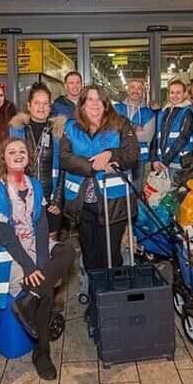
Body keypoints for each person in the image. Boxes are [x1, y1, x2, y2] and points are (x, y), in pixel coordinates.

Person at [0, 138, 75, 380]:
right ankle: (41, 352)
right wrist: (31, 266)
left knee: (68, 251)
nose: (19, 154)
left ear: (28, 157)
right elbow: (6, 236)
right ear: (4, 159)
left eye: (22, 151)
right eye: (12, 152)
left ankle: (28, 300)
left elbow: (42, 225)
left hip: (32, 242)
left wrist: (42, 261)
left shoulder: (35, 185)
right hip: (6, 250)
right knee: (44, 289)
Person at [60, 85, 139, 271]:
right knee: (89, 253)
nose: (94, 103)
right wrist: (90, 166)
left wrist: (111, 154)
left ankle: (111, 293)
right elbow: (64, 157)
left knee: (110, 255)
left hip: (113, 203)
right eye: (89, 99)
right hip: (82, 203)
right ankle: (94, 293)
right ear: (82, 104)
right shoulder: (71, 126)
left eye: (98, 99)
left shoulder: (120, 123)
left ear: (105, 103)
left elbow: (132, 154)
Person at [9, 83, 66, 237]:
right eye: (37, 103)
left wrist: (58, 198)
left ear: (50, 106)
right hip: (24, 199)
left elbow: (63, 167)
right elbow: (9, 167)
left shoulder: (58, 131)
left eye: (45, 103)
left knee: (50, 247)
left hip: (50, 201)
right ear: (29, 105)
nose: (41, 107)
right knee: (28, 246)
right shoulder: (17, 130)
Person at [151, 79, 193, 185]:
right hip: (162, 163)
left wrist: (165, 161)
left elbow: (183, 139)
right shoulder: (163, 112)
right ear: (168, 94)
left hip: (179, 164)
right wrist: (154, 159)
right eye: (172, 92)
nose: (175, 95)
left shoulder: (187, 112)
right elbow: (156, 137)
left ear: (184, 94)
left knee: (177, 198)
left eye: (179, 92)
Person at [113, 78, 156, 191]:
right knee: (119, 191)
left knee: (137, 192)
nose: (136, 91)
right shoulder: (116, 109)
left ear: (143, 92)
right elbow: (112, 132)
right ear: (127, 90)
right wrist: (135, 129)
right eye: (133, 87)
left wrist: (124, 131)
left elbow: (147, 136)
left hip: (139, 159)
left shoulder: (149, 113)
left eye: (139, 88)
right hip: (118, 156)